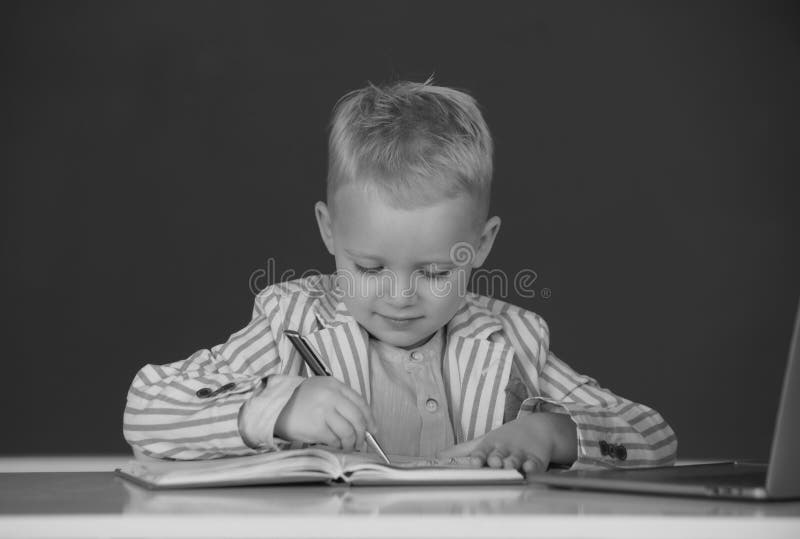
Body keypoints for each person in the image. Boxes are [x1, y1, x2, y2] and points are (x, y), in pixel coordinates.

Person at [123, 80, 677, 472]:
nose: (401, 296)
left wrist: (552, 434)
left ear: (480, 246)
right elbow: (148, 411)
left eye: (436, 270)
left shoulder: (513, 340)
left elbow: (652, 435)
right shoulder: (288, 325)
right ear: (329, 232)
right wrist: (277, 409)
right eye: (369, 267)